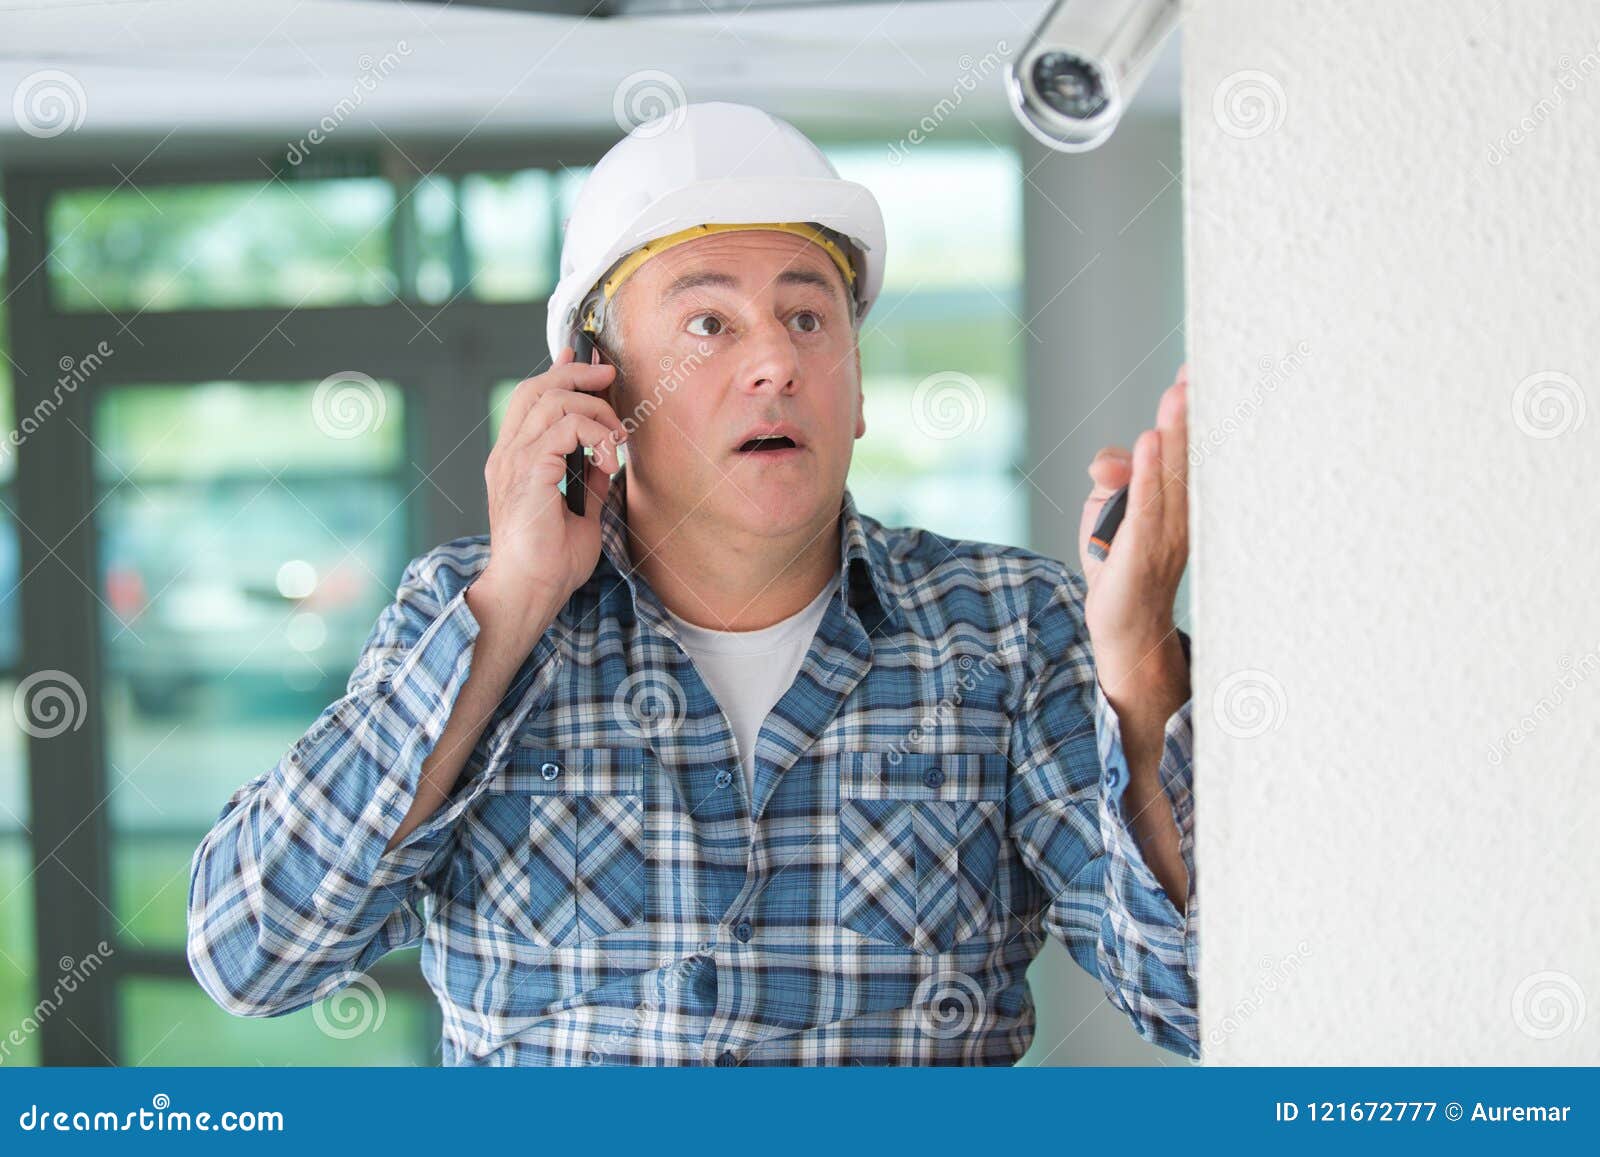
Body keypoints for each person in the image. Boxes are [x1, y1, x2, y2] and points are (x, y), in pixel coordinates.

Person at [187, 101, 1197, 1066]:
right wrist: (512, 604)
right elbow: (252, 952)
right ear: (595, 382)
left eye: (807, 317)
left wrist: (1142, 661)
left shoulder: (1008, 629)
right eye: (709, 323)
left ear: (854, 390)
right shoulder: (469, 609)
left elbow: (1200, 996)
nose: (775, 362)